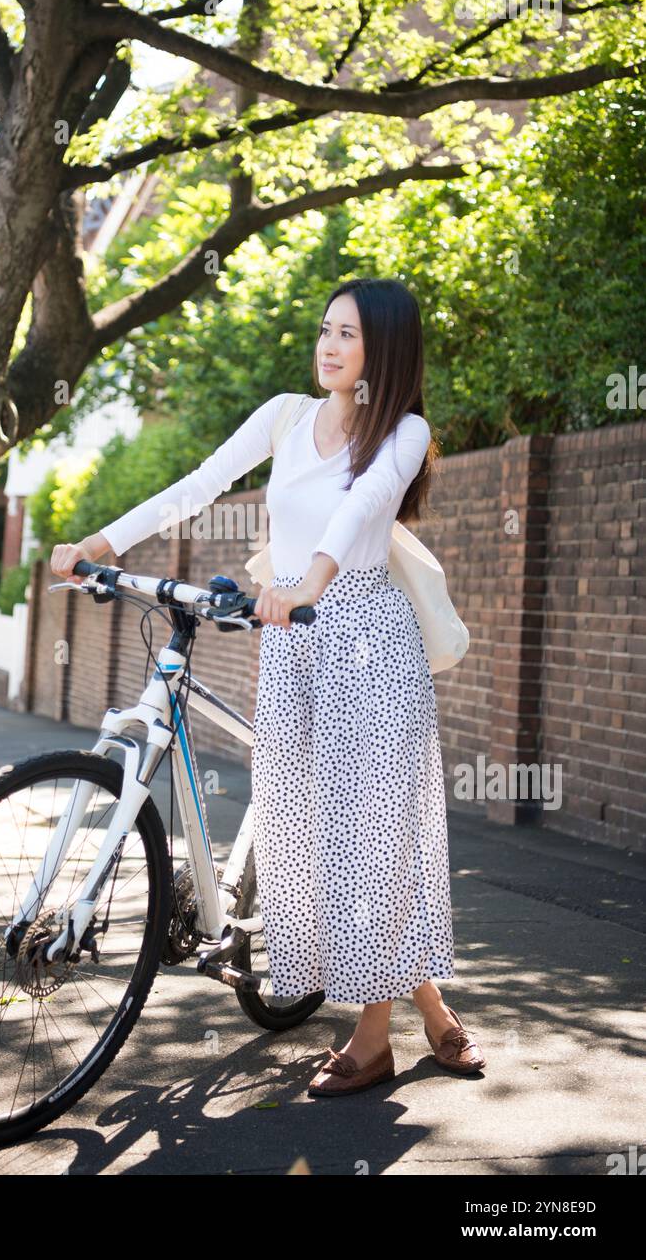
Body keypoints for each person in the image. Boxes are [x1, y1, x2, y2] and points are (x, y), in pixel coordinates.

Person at [51, 277, 485, 1097]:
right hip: (291, 644)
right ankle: (431, 1007)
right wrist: (99, 539)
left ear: (382, 350)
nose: (328, 345)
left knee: (372, 840)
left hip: (365, 641)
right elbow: (198, 484)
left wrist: (307, 583)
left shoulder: (404, 429)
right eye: (324, 329)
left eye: (348, 335)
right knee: (306, 836)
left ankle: (372, 1034)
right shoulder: (287, 415)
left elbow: (358, 512)